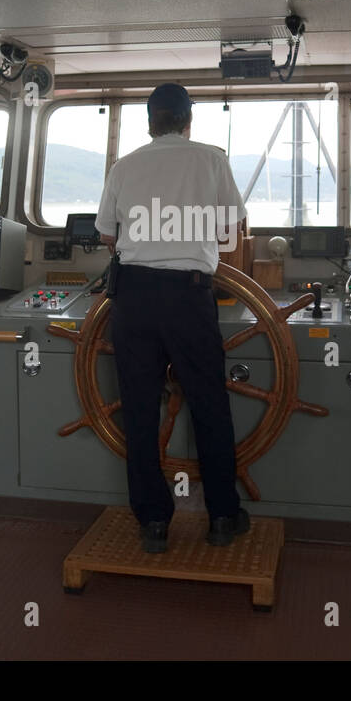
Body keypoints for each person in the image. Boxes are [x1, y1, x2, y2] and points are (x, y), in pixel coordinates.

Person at [95, 83, 248, 553]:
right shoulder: (212, 160)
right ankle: (222, 516)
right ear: (187, 121)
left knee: (139, 410)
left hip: (134, 299)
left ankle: (154, 522)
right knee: (208, 405)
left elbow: (106, 236)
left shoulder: (124, 167)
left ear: (149, 122)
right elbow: (232, 229)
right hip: (189, 298)